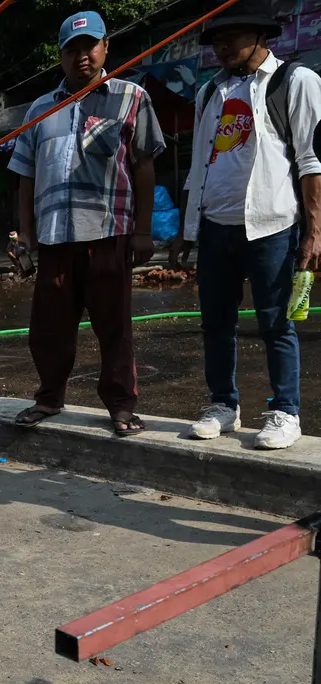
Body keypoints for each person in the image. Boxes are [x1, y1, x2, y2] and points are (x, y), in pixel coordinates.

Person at [169, 0, 321, 449]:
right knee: (216, 323)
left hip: (272, 225)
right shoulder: (210, 91)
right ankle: (223, 404)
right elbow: (200, 165)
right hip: (216, 225)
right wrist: (185, 229)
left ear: (259, 36)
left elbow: (312, 161)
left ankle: (285, 410)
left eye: (228, 37)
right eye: (214, 40)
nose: (220, 46)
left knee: (277, 322)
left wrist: (315, 231)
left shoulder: (294, 81)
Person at [7, 10, 165, 436]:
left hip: (110, 233)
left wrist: (144, 230)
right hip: (55, 238)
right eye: (72, 49)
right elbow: (26, 177)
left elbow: (145, 166)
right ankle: (48, 398)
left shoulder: (131, 97)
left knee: (114, 327)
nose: (82, 56)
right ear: (60, 56)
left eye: (90, 46)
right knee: (48, 328)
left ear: (105, 48)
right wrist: (26, 235)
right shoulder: (39, 110)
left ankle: (121, 405)